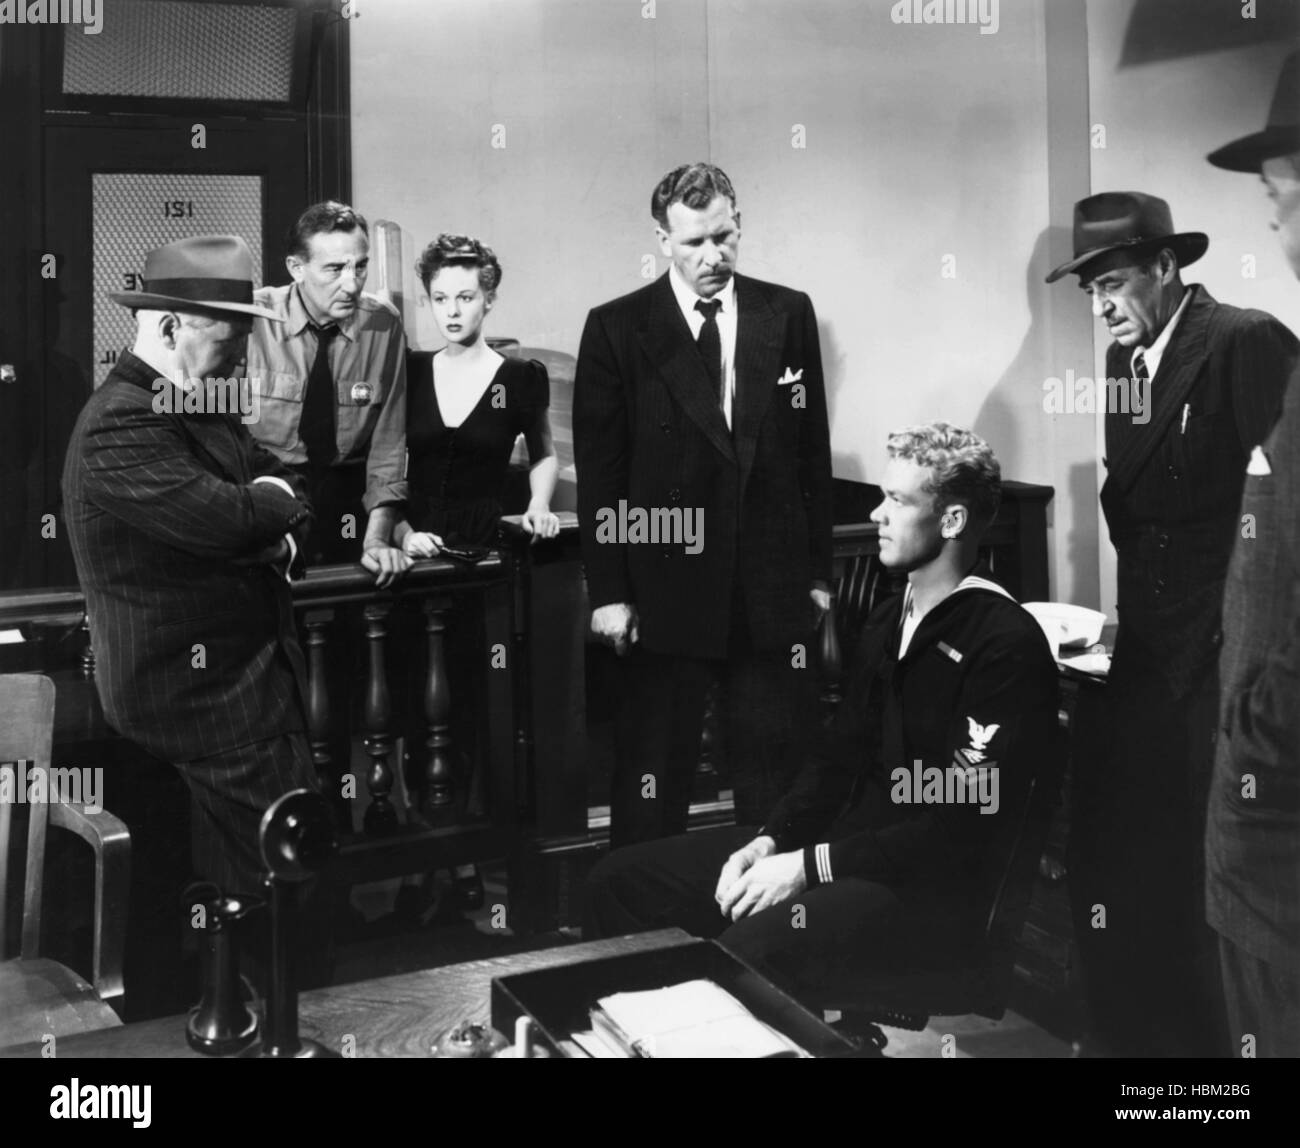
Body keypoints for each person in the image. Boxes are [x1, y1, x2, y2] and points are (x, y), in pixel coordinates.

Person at [586, 423, 1058, 1010]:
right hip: (844, 853)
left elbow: (958, 827)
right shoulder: (890, 617)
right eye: (882, 496)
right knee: (621, 881)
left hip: (926, 894)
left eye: (898, 501)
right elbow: (836, 760)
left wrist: (809, 869)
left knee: (745, 954)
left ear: (954, 521)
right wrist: (771, 839)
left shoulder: (1003, 643)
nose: (877, 513)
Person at [1046, 192, 1299, 1056]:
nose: (1102, 306)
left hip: (1230, 663)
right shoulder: (1123, 369)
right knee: (1130, 856)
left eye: (1113, 283)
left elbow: (1284, 524)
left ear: (1166, 267)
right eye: (1090, 292)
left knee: (1215, 884)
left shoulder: (1243, 340)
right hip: (1151, 654)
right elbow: (1138, 518)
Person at [573, 163, 833, 849]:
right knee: (653, 782)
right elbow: (602, 476)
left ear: (739, 225)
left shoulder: (788, 313)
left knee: (773, 780)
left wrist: (818, 575)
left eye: (723, 237)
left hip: (767, 586)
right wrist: (609, 591)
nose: (713, 257)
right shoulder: (616, 329)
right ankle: (639, 938)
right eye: (693, 244)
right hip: (665, 588)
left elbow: (812, 451)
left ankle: (773, 934)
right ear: (662, 240)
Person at [63, 234, 319, 903]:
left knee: (275, 890)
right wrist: (265, 516)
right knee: (279, 895)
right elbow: (232, 520)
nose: (239, 358)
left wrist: (270, 521)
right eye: (228, 342)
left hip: (243, 697)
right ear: (171, 326)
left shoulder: (192, 402)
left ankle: (265, 1007)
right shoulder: (117, 424)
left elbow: (285, 485)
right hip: (204, 707)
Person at [393, 234, 559, 907]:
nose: (453, 311)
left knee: (481, 715)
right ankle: (420, 868)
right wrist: (401, 531)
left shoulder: (520, 378)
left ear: (489, 297)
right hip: (420, 563)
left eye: (466, 297)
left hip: (488, 562)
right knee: (416, 711)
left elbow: (543, 453)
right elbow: (389, 466)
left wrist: (542, 507)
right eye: (440, 299)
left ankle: (477, 871)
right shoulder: (408, 371)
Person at [1204, 50, 1300, 1059]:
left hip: (1279, 847)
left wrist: (1259, 736)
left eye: (1277, 194)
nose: (1271, 222)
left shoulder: (1257, 349)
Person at [246, 200, 410, 584]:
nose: (352, 283)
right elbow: (219, 436)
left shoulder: (384, 326)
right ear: (296, 268)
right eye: (335, 269)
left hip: (344, 507)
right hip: (267, 502)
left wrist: (376, 540)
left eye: (360, 266)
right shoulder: (252, 318)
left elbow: (389, 444)